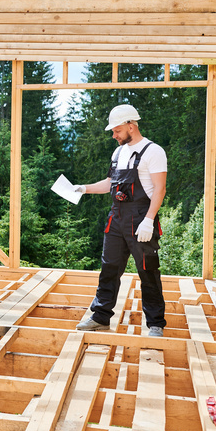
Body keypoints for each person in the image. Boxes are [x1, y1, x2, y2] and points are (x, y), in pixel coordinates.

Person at [72, 105, 168, 337]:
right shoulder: (118, 153)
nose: (114, 135)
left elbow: (159, 189)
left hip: (140, 219)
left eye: (116, 131)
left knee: (148, 271)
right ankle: (100, 317)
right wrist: (83, 189)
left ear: (131, 126)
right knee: (109, 268)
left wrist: (148, 220)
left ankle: (155, 323)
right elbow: (109, 184)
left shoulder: (153, 151)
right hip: (116, 218)